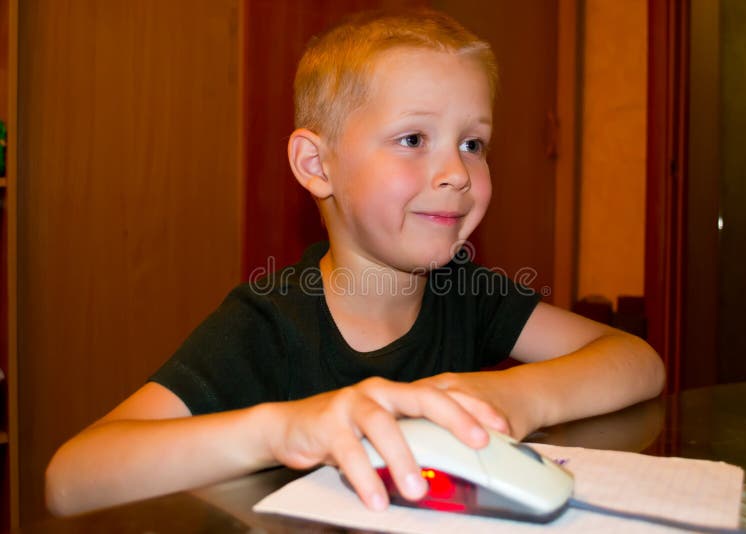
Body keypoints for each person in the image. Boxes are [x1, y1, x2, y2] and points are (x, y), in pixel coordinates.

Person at [45, 8, 665, 517]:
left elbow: (637, 361)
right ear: (317, 166)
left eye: (473, 143)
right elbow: (71, 479)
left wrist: (513, 396)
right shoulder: (268, 324)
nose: (457, 172)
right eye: (413, 139)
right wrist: (282, 429)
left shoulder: (469, 293)